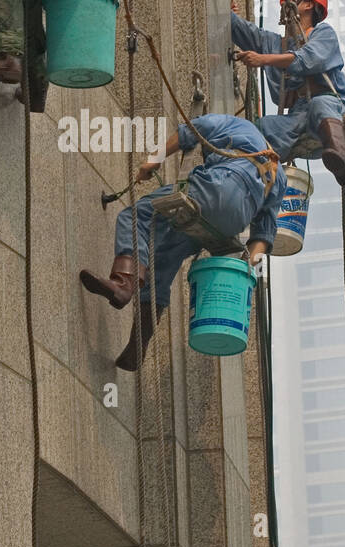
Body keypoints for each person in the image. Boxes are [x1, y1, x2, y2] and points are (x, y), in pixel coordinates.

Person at [80, 113, 286, 370]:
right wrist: (246, 265)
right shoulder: (279, 176)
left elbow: (192, 130)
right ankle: (137, 347)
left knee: (136, 215)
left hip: (217, 188)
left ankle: (123, 284)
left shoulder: (242, 125)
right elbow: (264, 234)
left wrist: (151, 162)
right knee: (162, 266)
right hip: (227, 225)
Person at [232, 0, 345, 185]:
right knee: (261, 127)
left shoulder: (323, 34)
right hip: (298, 116)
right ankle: (253, 180)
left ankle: (337, 156)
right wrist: (229, 17)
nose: (284, 10)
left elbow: (308, 60)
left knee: (320, 104)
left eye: (291, 3)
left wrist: (263, 60)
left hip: (332, 105)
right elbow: (247, 33)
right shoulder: (276, 45)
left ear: (308, 5)